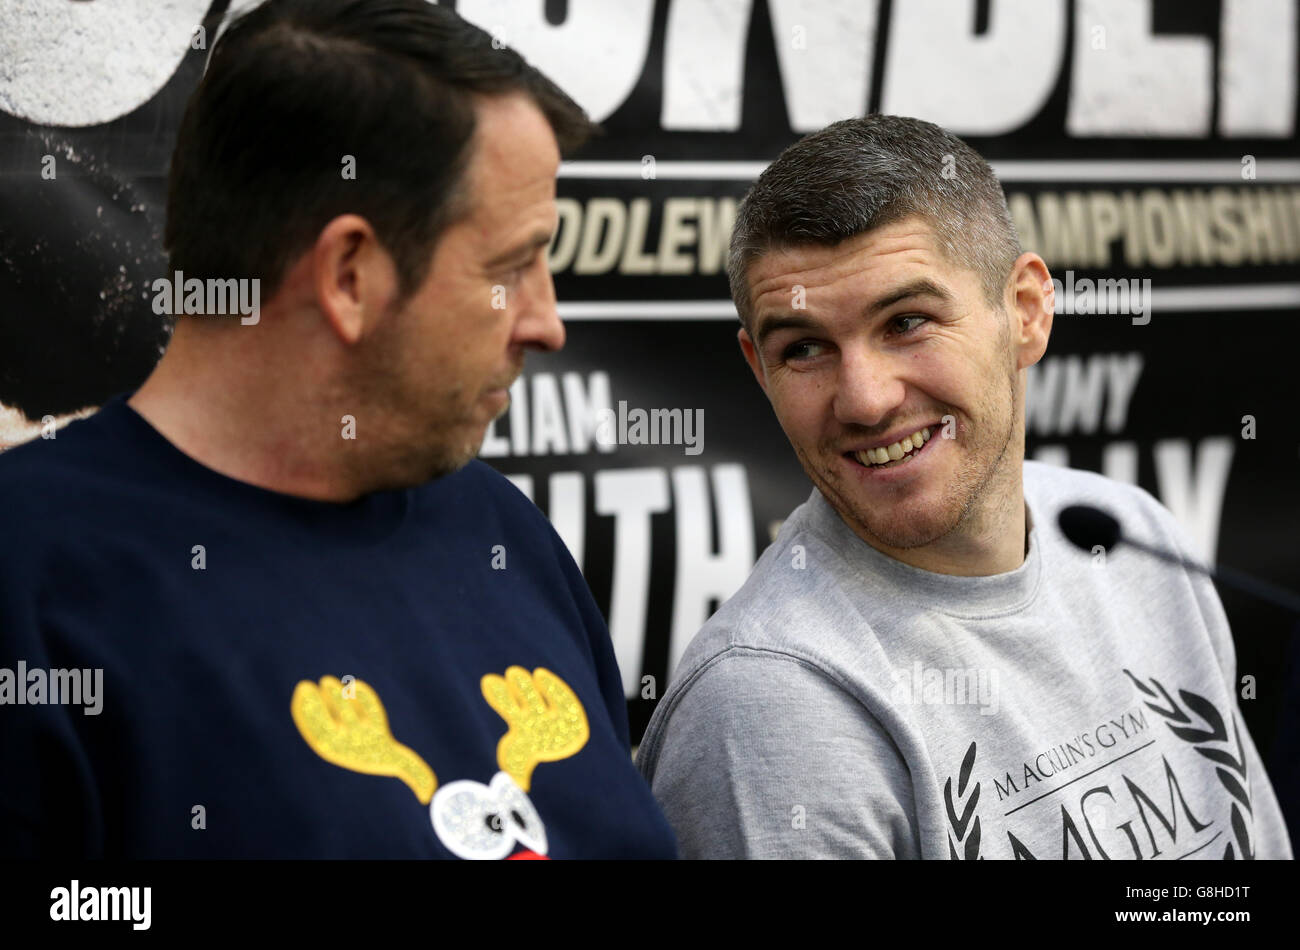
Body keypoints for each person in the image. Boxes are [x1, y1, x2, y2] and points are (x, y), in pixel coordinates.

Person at [0, 0, 676, 860]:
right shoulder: (30, 582)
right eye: (511, 267)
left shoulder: (502, 534)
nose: (546, 322)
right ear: (349, 275)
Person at [636, 114, 1292, 860]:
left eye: (907, 321)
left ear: (1026, 312)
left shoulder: (1126, 531)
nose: (865, 400)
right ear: (759, 369)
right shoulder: (767, 706)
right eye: (806, 348)